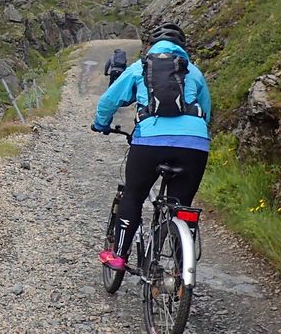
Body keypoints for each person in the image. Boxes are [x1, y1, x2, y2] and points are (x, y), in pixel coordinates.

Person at [91, 24, 212, 270]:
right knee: (182, 206)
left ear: (151, 46)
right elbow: (207, 114)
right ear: (183, 48)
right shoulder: (195, 72)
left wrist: (100, 124)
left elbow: (108, 101)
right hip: (194, 145)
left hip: (150, 143)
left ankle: (120, 256)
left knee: (134, 195)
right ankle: (181, 270)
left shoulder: (139, 68)